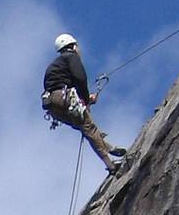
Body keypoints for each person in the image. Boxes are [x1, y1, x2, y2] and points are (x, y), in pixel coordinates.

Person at [42, 34, 127, 174]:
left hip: (52, 105)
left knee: (84, 127)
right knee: (89, 127)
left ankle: (109, 147)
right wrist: (86, 99)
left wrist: (84, 99)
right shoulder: (71, 57)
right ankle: (111, 165)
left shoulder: (54, 65)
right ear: (73, 46)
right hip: (63, 97)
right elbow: (80, 78)